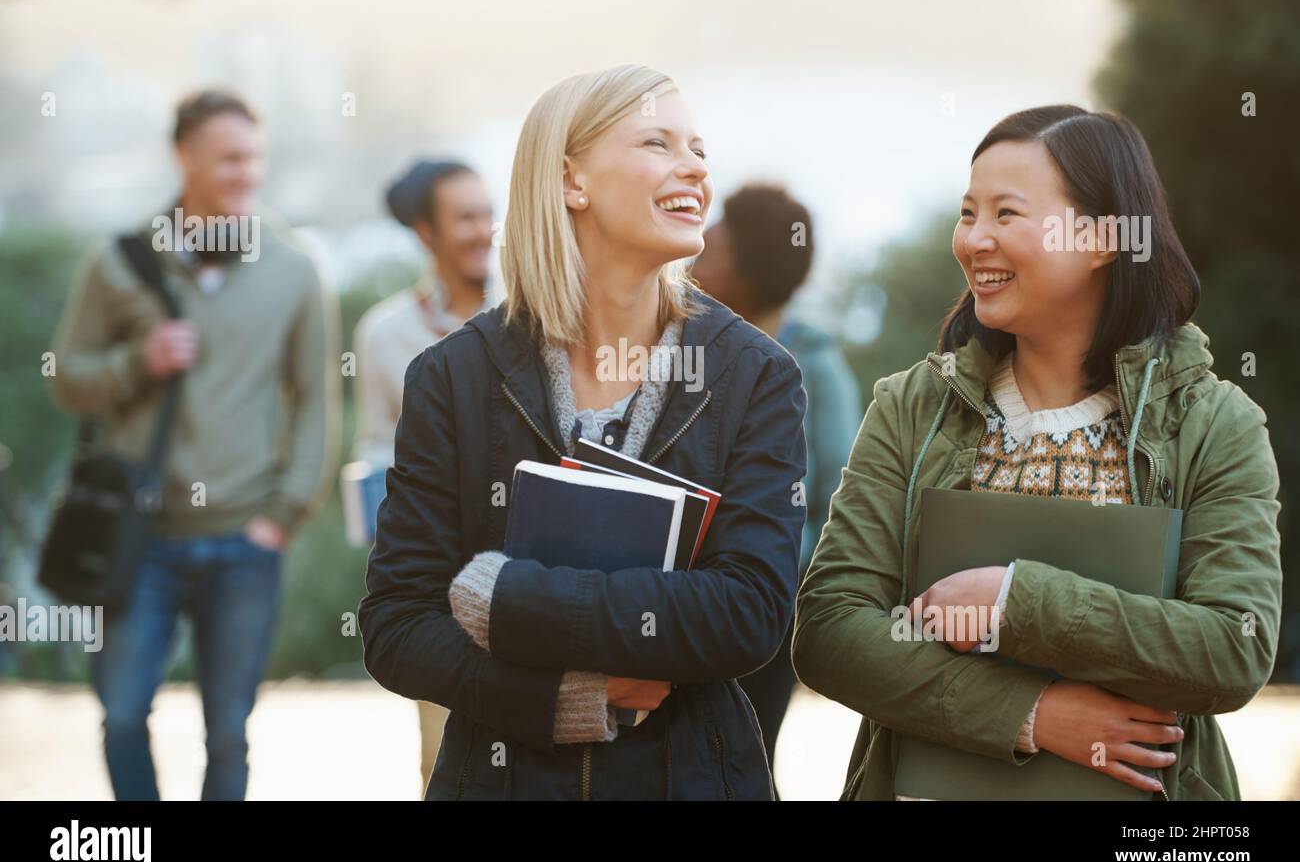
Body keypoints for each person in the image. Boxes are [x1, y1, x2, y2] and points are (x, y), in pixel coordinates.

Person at [792, 105, 1282, 801]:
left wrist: (1019, 602)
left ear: (1103, 237)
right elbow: (830, 630)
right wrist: (1034, 715)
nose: (974, 240)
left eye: (1007, 214)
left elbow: (1235, 645)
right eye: (969, 213)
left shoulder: (1214, 422)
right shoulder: (911, 406)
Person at [357, 64, 807, 800]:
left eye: (698, 147)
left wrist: (510, 600)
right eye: (658, 143)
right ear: (572, 180)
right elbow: (397, 624)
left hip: (693, 779)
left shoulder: (757, 373)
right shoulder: (452, 376)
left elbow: (751, 613)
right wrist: (558, 700)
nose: (694, 165)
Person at [49, 89, 340, 800]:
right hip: (136, 537)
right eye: (229, 157)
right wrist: (134, 362)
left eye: (254, 158)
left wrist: (284, 513)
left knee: (229, 732)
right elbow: (66, 378)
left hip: (245, 539)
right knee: (120, 716)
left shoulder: (294, 268)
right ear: (184, 156)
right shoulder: (117, 262)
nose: (246, 172)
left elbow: (316, 404)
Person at [691, 183, 861, 791]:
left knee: (747, 758)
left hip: (768, 605)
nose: (693, 258)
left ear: (746, 266)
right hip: (677, 596)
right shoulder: (680, 348)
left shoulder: (814, 362)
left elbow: (841, 496)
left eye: (711, 248)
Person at [351, 158, 494, 794]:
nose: (484, 230)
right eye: (465, 217)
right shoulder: (384, 334)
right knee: (442, 756)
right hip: (436, 577)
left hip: (529, 566)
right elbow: (377, 449)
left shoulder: (535, 315)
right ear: (425, 232)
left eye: (489, 214)